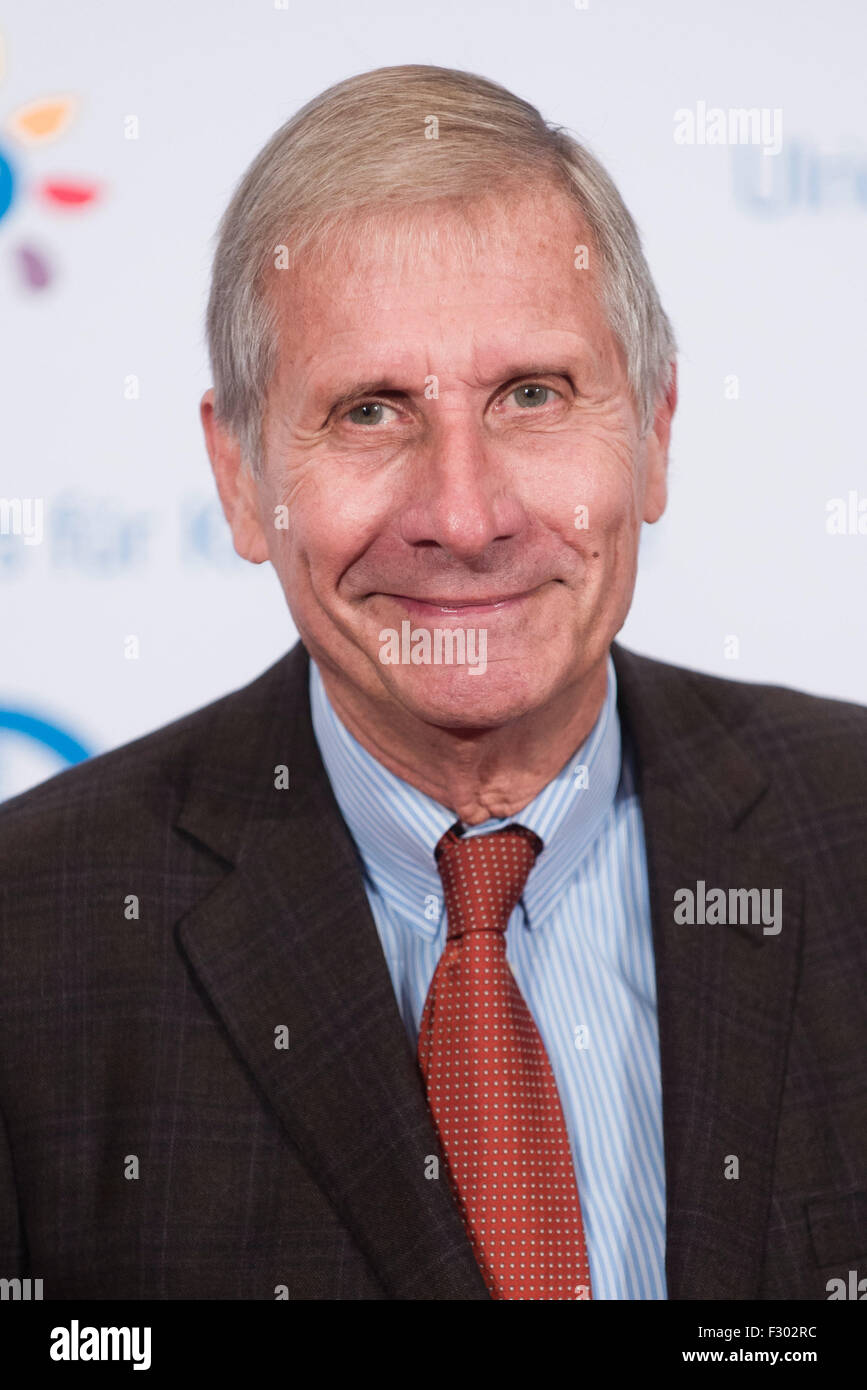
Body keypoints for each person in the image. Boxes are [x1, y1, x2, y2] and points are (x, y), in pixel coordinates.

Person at [0, 64, 864, 1302]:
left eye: (532, 394)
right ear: (243, 478)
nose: (464, 517)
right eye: (368, 412)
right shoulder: (29, 947)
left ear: (655, 433)